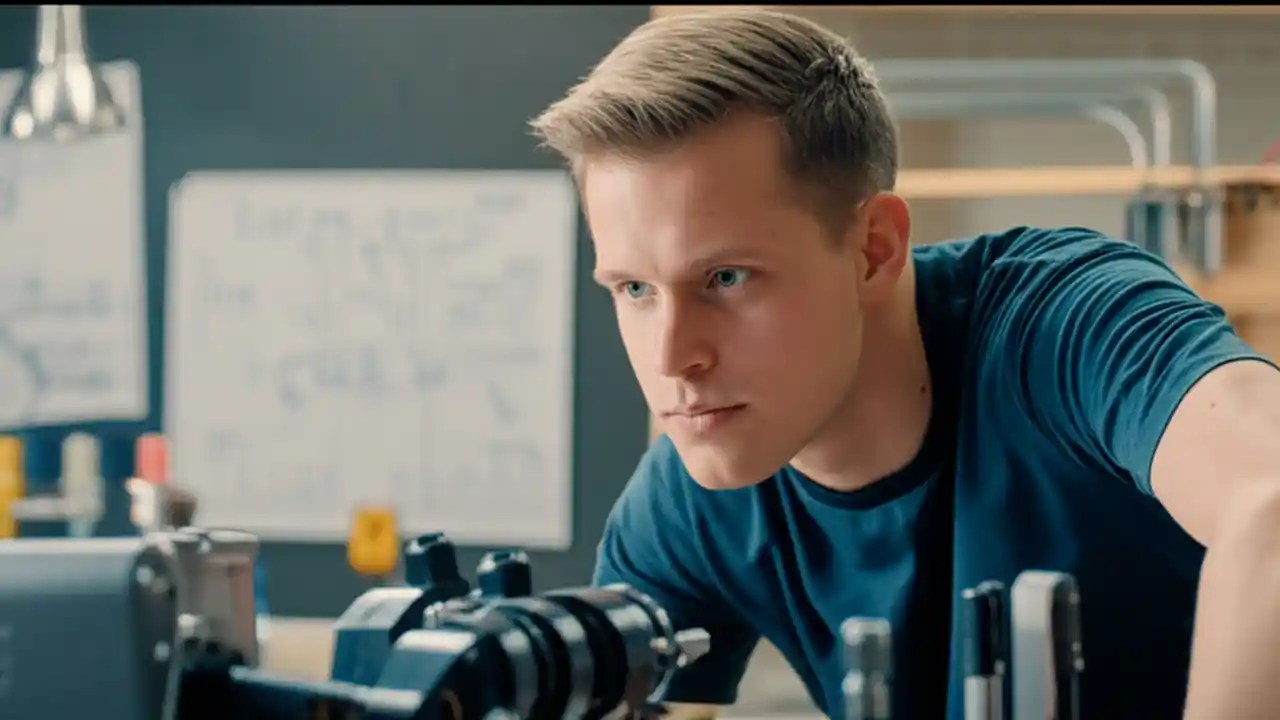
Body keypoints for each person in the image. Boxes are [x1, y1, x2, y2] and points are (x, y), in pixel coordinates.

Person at [529, 8, 1280, 720]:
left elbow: (1272, 500)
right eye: (634, 289)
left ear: (873, 250)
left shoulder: (1066, 324)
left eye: (725, 278)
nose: (673, 359)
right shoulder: (692, 496)